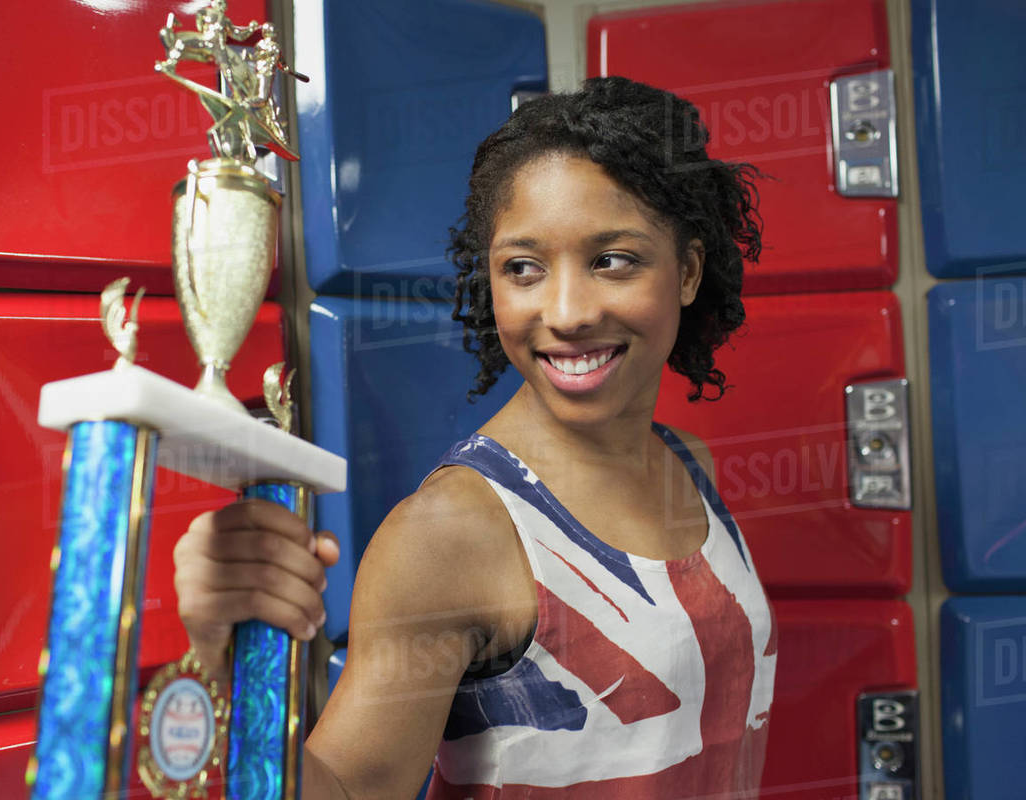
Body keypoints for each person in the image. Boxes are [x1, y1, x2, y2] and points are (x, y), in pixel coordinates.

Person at [173, 76, 776, 799]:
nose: (566, 311)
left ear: (687, 271)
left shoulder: (686, 463)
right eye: (523, 268)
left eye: (612, 259)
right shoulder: (451, 535)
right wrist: (229, 667)